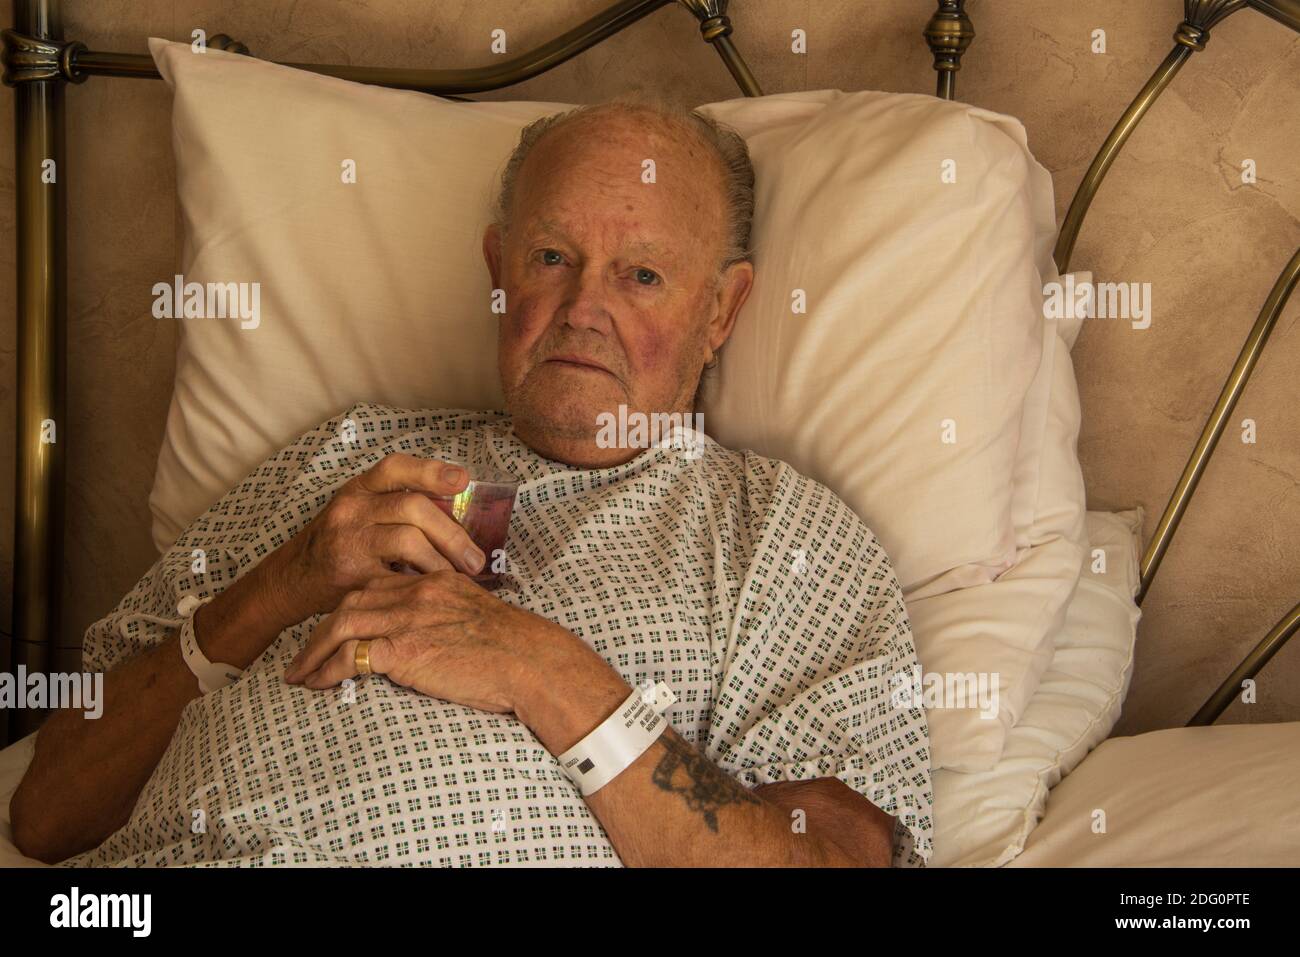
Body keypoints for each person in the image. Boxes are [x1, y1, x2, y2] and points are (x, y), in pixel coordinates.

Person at [11, 95, 933, 868]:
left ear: (723, 310)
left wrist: (543, 671)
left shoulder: (777, 534)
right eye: (550, 259)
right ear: (500, 273)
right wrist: (276, 587)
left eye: (642, 275)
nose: (582, 310)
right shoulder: (347, 454)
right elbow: (44, 810)